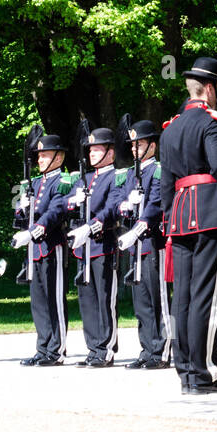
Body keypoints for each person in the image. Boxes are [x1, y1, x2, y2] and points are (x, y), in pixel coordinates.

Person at [159, 56, 217, 395]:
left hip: (179, 214)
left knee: (184, 297)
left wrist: (168, 218)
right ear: (209, 90)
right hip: (208, 210)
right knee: (206, 297)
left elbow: (166, 183)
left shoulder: (170, 128)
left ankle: (186, 373)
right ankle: (204, 373)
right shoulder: (210, 122)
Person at [66, 127, 127, 367]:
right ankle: (93, 347)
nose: (92, 154)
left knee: (104, 297)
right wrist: (73, 201)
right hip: (83, 247)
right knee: (86, 298)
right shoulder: (85, 179)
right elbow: (65, 206)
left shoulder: (116, 177)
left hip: (103, 244)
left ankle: (106, 347)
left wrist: (91, 226)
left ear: (110, 153)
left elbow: (112, 208)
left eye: (98, 149)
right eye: (90, 150)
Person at [13, 135, 72, 366]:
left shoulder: (63, 182)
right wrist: (21, 209)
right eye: (38, 155)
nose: (40, 159)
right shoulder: (34, 184)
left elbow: (56, 211)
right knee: (38, 300)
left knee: (53, 299)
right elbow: (20, 218)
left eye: (45, 155)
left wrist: (35, 229)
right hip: (35, 250)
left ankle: (56, 350)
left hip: (51, 245)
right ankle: (43, 347)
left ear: (59, 157)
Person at [116, 120, 170, 370]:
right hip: (135, 245)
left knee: (158, 298)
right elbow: (119, 199)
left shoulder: (158, 170)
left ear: (152, 145)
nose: (135, 148)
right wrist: (125, 205)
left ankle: (162, 349)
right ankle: (147, 348)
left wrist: (138, 223)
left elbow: (156, 204)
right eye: (133, 144)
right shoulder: (130, 173)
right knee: (141, 301)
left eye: (140, 144)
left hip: (151, 242)